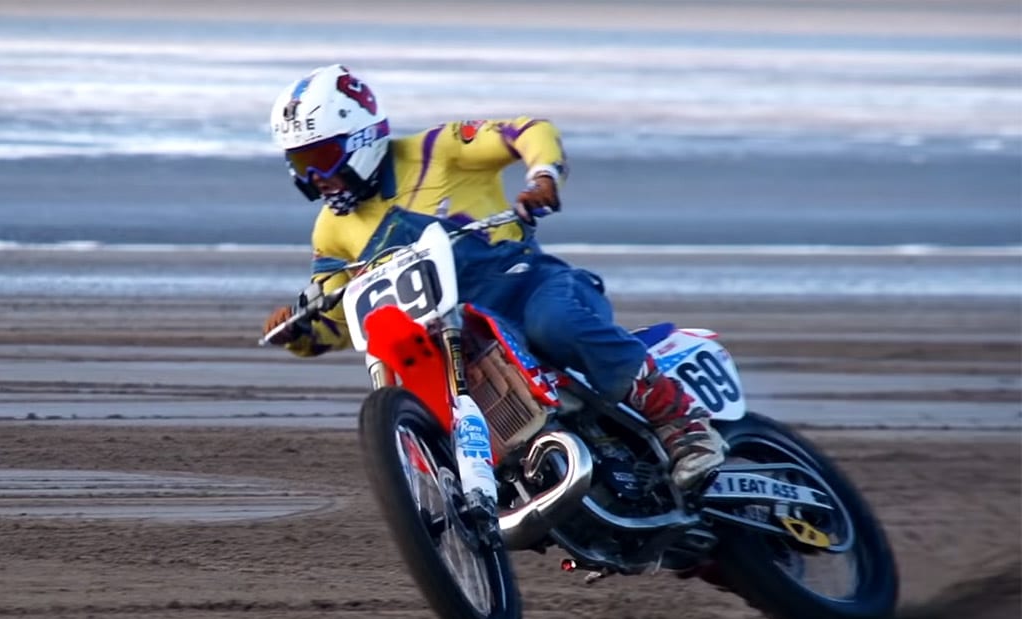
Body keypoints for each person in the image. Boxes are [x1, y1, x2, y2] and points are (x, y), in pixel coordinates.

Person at [262, 64, 725, 491]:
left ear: (363, 138)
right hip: (449, 337)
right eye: (302, 163)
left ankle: (681, 421)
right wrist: (299, 331)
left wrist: (542, 176)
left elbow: (529, 131)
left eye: (322, 156)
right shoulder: (330, 230)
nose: (317, 176)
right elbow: (337, 310)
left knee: (555, 323)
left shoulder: (436, 149)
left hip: (523, 283)